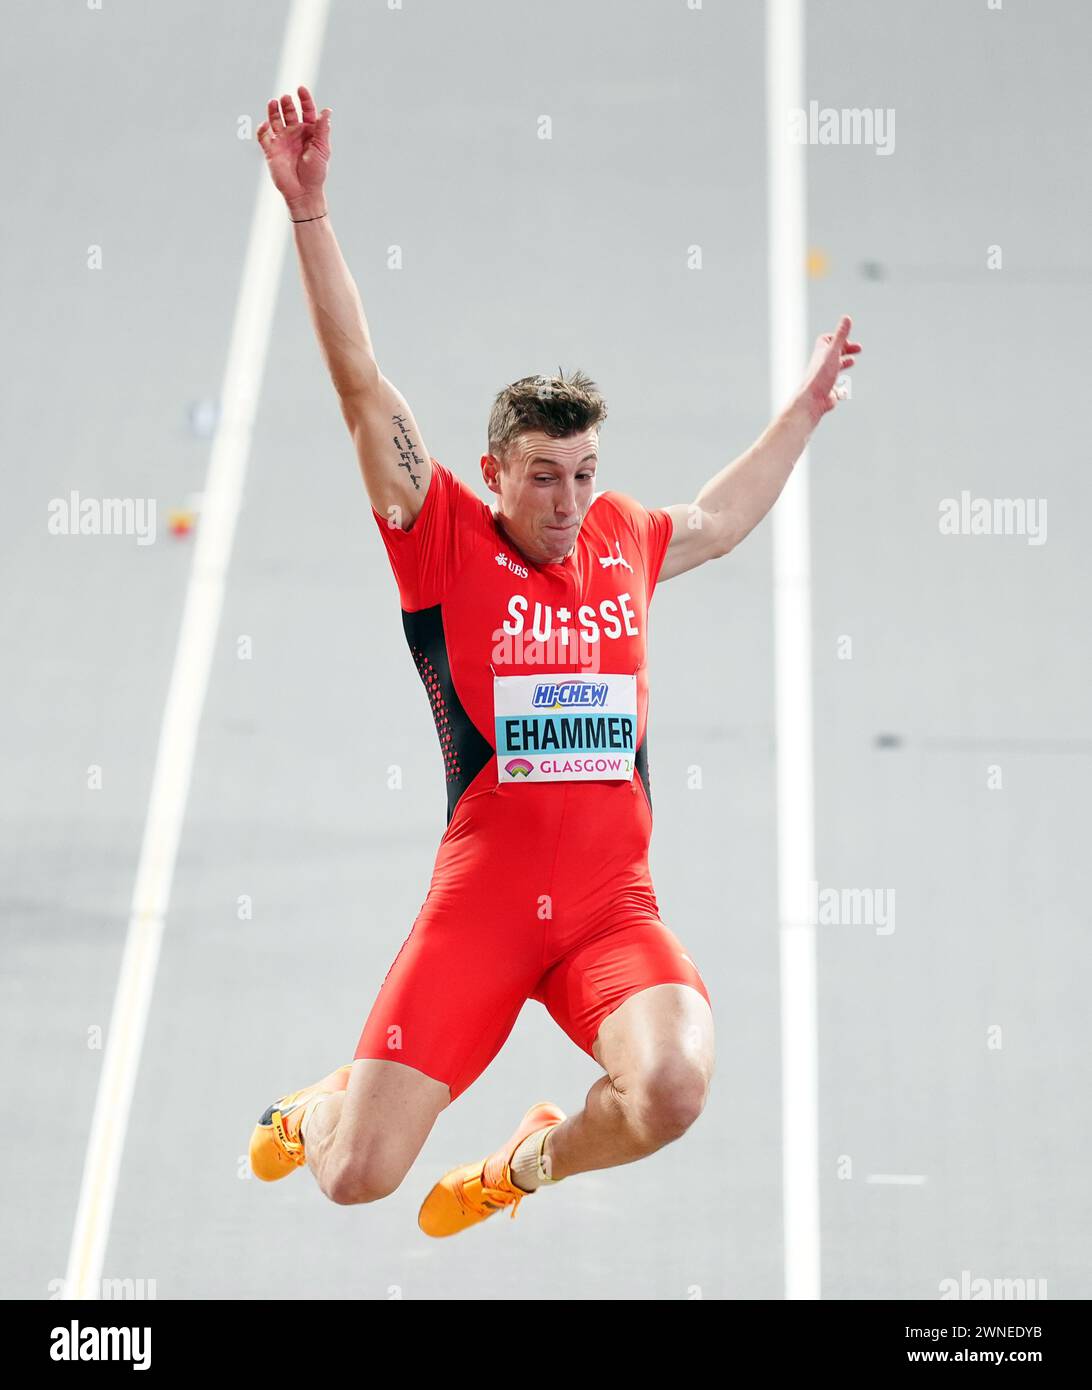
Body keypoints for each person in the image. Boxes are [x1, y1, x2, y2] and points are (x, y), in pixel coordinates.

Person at [248, 87, 861, 1237]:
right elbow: (360, 384)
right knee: (354, 1177)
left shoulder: (622, 533)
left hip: (606, 910)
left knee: (673, 1086)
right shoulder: (439, 539)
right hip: (482, 908)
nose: (569, 501)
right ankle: (320, 1106)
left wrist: (806, 410)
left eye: (583, 472)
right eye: (542, 475)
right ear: (491, 471)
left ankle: (528, 1163)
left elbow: (721, 520)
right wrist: (311, 212)